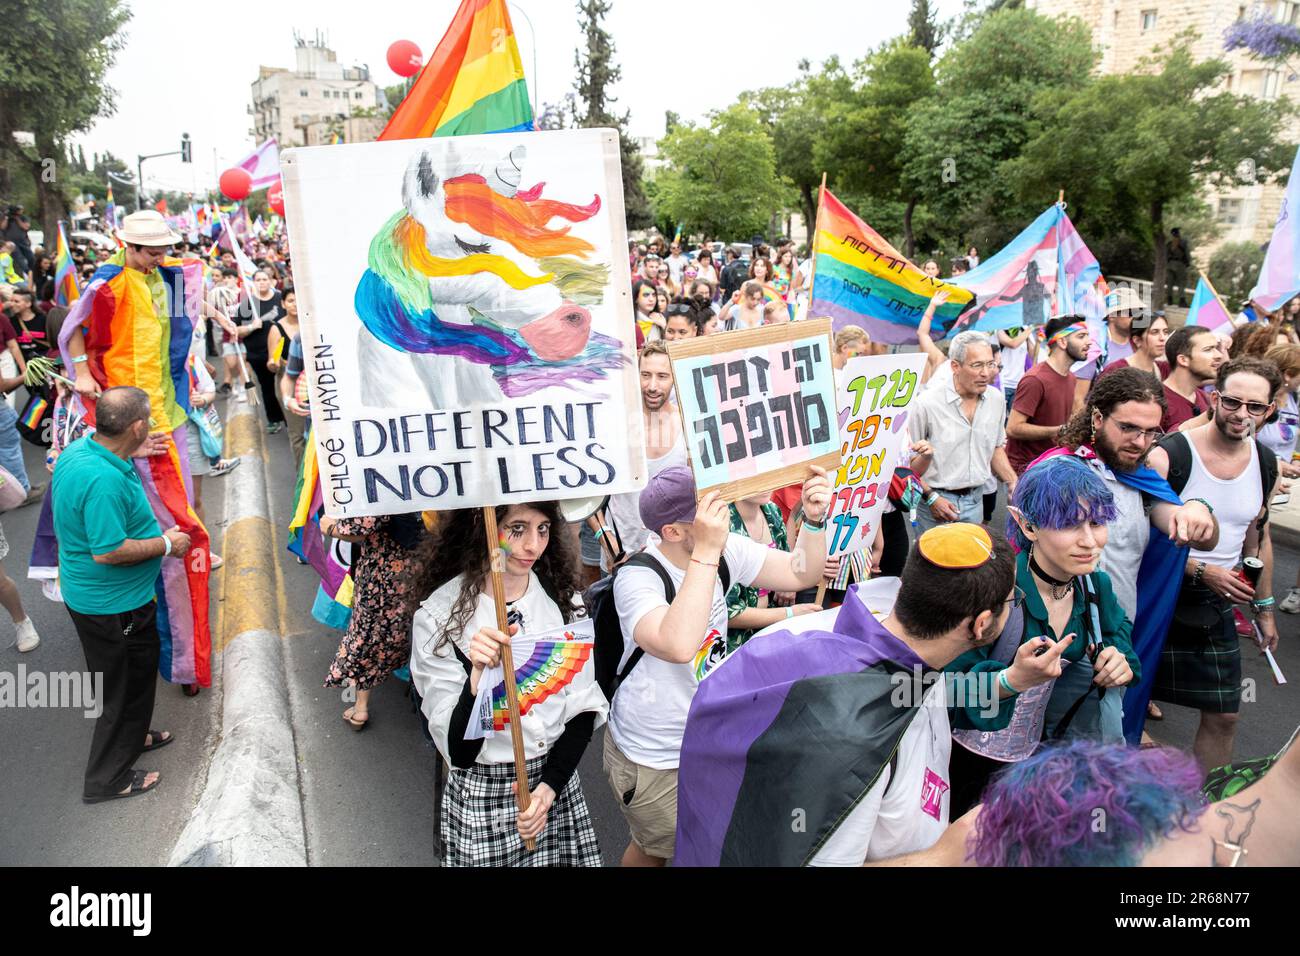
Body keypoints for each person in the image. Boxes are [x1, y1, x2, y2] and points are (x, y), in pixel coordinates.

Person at [676, 524, 1069, 866]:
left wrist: (1010, 681)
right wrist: (943, 856)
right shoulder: (861, 747)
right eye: (1009, 601)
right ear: (981, 624)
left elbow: (922, 692)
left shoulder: (839, 638)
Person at [605, 464, 830, 866]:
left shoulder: (724, 550)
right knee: (657, 850)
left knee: (706, 845)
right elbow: (677, 643)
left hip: (709, 732)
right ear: (672, 531)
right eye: (708, 512)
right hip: (654, 751)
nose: (722, 517)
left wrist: (813, 521)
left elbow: (802, 573)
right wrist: (707, 551)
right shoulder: (638, 578)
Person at [62, 210, 213, 694]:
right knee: (162, 539)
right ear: (126, 244)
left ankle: (183, 658)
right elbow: (72, 327)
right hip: (131, 431)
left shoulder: (168, 279)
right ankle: (175, 657)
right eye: (149, 250)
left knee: (178, 530)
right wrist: (83, 370)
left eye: (162, 249)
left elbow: (176, 341)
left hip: (166, 422)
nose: (157, 258)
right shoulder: (107, 282)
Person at [408, 502, 606, 866]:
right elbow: (460, 752)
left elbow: (582, 708)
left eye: (543, 529)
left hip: (553, 785)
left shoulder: (564, 601)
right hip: (484, 794)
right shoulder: (438, 619)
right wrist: (479, 681)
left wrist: (547, 790)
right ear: (482, 527)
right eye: (517, 529)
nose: (533, 545)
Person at [946, 456, 1139, 815]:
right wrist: (1008, 681)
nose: (1089, 541)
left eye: (1097, 522)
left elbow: (1118, 631)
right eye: (1068, 524)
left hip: (1036, 765)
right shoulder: (992, 593)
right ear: (1026, 524)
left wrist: (1119, 658)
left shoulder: (1094, 586)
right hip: (963, 767)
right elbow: (935, 691)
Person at [1042, 368, 1218, 734]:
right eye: (1128, 428)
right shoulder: (1054, 472)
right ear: (1097, 418)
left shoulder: (1141, 480)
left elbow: (1194, 533)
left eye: (1151, 432)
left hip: (1115, 645)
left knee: (1098, 755)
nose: (1140, 442)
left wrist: (1198, 508)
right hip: (1052, 643)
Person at [52, 386, 190, 802]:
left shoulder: (84, 450)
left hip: (97, 600)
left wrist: (136, 449)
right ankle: (106, 779)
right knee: (122, 687)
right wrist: (167, 544)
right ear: (136, 425)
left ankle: (134, 736)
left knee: (126, 681)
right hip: (114, 606)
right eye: (146, 420)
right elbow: (109, 551)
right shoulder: (103, 481)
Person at [1146, 358, 1282, 772]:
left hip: (1215, 602)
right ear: (1215, 398)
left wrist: (1265, 607)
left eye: (1255, 407)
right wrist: (1202, 571)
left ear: (1270, 409)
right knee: (1126, 704)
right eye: (1233, 402)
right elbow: (1141, 541)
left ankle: (1206, 809)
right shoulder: (1169, 454)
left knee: (1225, 715)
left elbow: (1258, 537)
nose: (1242, 414)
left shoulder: (1266, 463)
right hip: (1156, 593)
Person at [909, 330, 1018, 532]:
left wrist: (1012, 482)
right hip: (935, 503)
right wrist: (931, 497)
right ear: (955, 366)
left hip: (976, 501)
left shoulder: (996, 400)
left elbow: (995, 448)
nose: (986, 373)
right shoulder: (926, 404)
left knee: (972, 563)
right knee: (934, 563)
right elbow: (907, 465)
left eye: (990, 364)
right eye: (977, 365)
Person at [602, 342, 686, 570]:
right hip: (620, 553)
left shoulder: (687, 425)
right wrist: (606, 539)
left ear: (675, 378)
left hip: (673, 556)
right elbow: (591, 488)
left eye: (662, 376)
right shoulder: (614, 422)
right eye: (645, 375)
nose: (652, 385)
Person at [1005, 315, 1091, 474]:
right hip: (1026, 471)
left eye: (1087, 336)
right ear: (1062, 342)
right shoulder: (1035, 379)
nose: (1089, 342)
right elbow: (1013, 428)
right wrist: (1057, 430)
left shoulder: (1071, 377)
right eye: (1081, 336)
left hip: (1053, 466)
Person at [233, 268, 288, 433]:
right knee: (268, 388)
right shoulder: (248, 304)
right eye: (258, 280)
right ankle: (274, 419)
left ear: (271, 281)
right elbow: (236, 330)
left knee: (285, 386)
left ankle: (290, 418)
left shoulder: (280, 299)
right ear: (253, 283)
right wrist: (251, 326)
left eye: (265, 279)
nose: (262, 282)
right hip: (258, 354)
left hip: (282, 352)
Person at [1074, 287, 1142, 404]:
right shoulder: (1095, 347)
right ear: (1112, 316)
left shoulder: (1138, 343)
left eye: (1138, 312)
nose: (1135, 317)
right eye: (1130, 312)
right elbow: (1078, 399)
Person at [266, 287, 306, 464]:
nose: (295, 304)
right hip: (288, 380)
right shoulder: (277, 329)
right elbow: (272, 361)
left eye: (298, 299)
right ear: (283, 304)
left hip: (311, 383)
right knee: (298, 435)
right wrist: (274, 364)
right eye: (290, 301)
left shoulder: (310, 324)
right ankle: (302, 479)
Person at [1160, 324, 1223, 434]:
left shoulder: (1206, 398)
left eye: (1216, 349)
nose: (1219, 355)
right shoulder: (1156, 401)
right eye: (1208, 349)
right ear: (1183, 360)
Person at [1098, 312, 1168, 380]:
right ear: (1137, 340)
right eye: (1154, 332)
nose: (1162, 338)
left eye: (1165, 332)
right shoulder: (1116, 370)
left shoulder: (1163, 370)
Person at [996, 327, 1035, 410]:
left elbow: (1033, 356)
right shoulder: (1001, 329)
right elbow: (1013, 344)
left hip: (1019, 384)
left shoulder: (1025, 329)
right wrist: (1031, 328)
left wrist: (1037, 341)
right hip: (1004, 383)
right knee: (1002, 419)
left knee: (1013, 419)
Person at [631, 278, 664, 344]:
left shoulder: (660, 319)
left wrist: (664, 326)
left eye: (654, 295)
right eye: (646, 295)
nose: (651, 299)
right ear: (636, 299)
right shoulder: (629, 323)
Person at [1166, 228, 1191, 308]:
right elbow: (1187, 255)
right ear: (1178, 234)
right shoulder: (1183, 243)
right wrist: (1187, 264)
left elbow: (1166, 255)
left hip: (1170, 265)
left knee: (1170, 283)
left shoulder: (1169, 244)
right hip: (1180, 265)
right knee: (1181, 283)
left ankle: (1169, 300)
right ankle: (1182, 301)